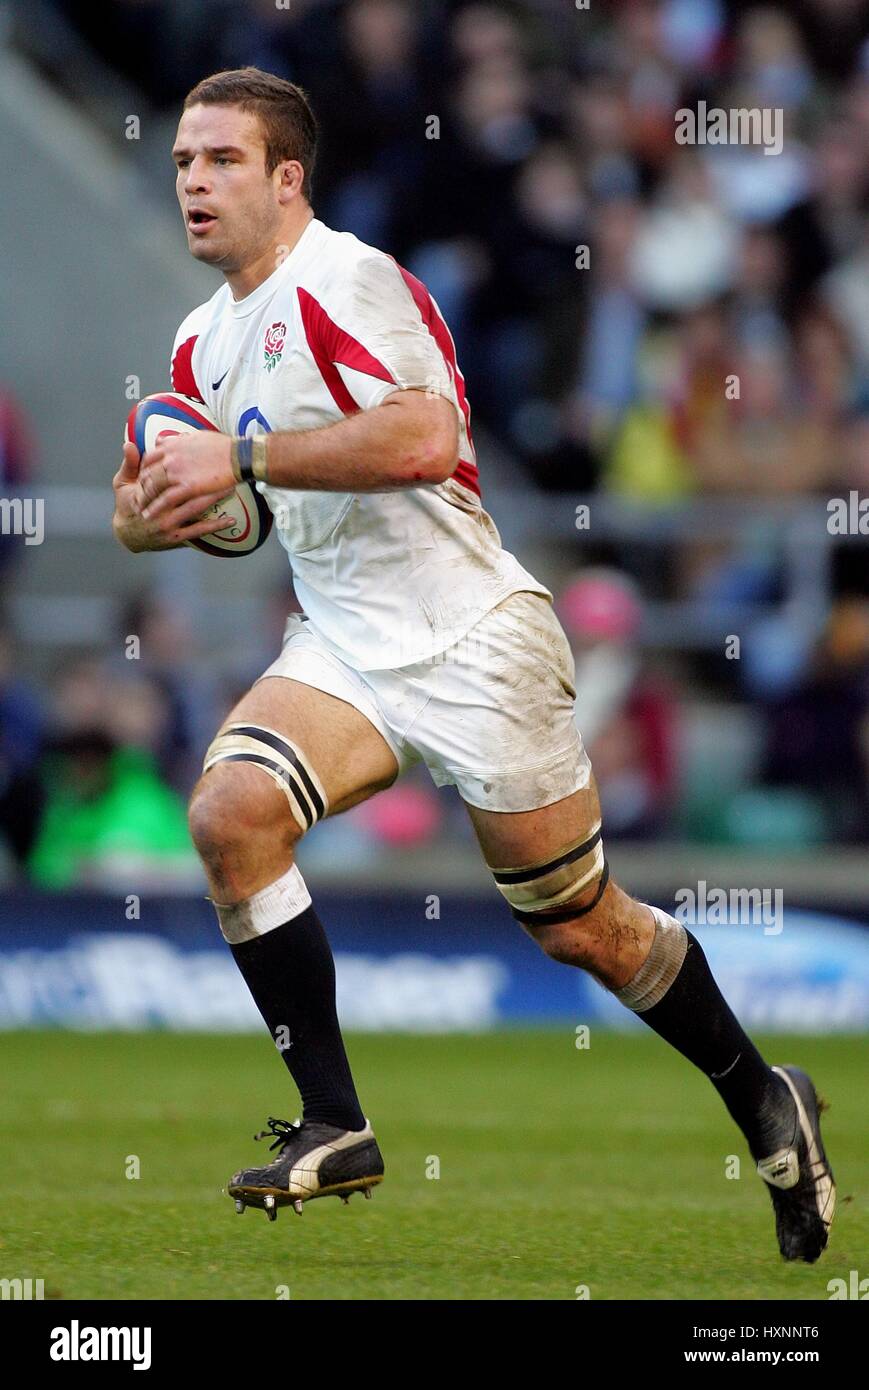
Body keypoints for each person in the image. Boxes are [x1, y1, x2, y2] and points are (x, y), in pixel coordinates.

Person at [111, 67, 833, 1258]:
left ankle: (762, 1095)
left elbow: (425, 435)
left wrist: (239, 466)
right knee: (232, 814)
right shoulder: (202, 340)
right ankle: (335, 1123)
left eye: (222, 160)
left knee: (578, 923)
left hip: (474, 637)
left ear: (287, 180)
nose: (193, 180)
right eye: (185, 160)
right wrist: (158, 503)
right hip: (345, 640)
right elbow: (181, 510)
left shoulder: (350, 280)